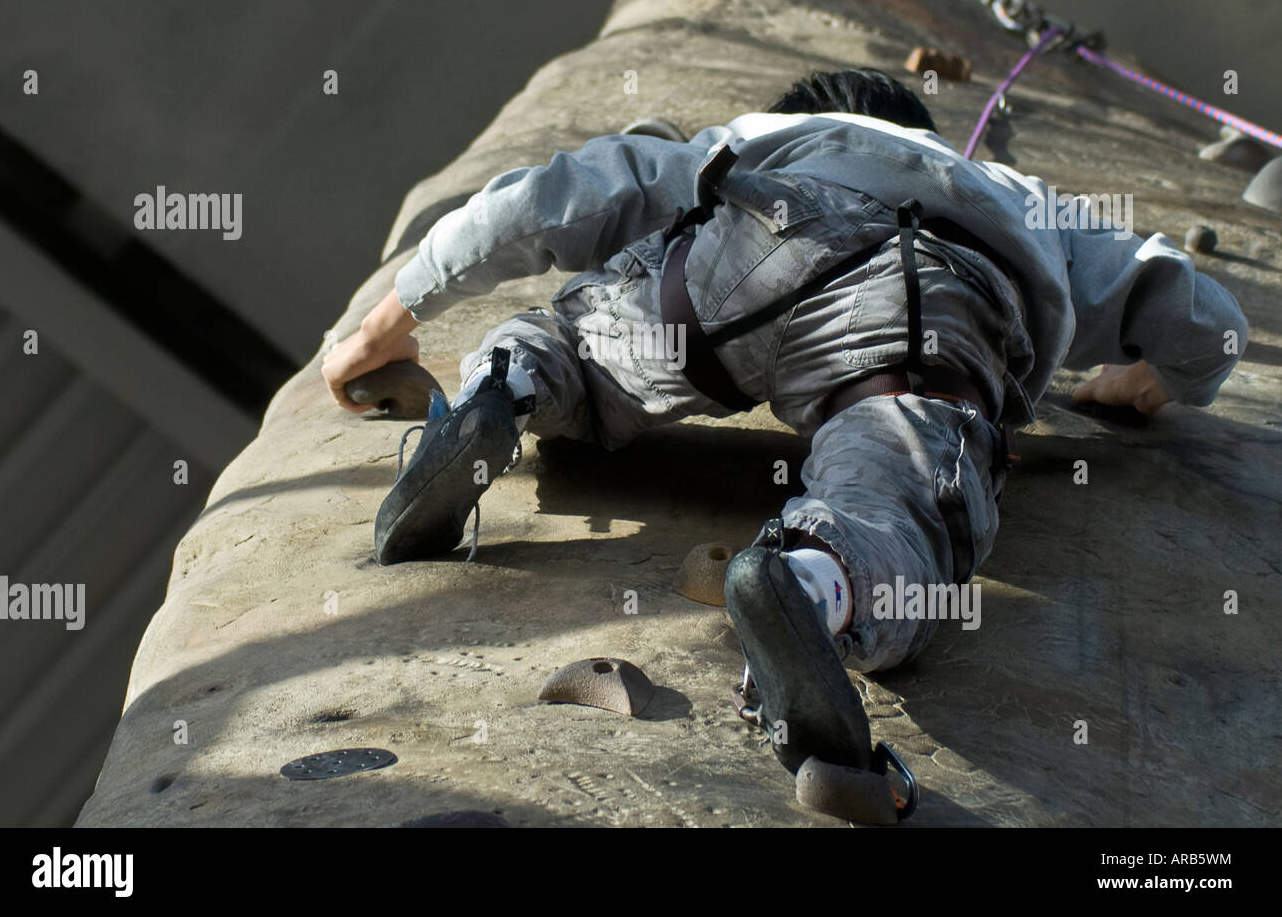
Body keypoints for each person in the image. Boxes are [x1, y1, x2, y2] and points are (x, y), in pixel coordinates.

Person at [321, 68, 1247, 794]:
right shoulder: (1017, 195)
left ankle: (507, 390)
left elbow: (560, 195)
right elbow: (1197, 309)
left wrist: (393, 312)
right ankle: (816, 579)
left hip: (751, 240)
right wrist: (1158, 377)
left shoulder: (763, 136)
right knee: (895, 492)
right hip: (931, 300)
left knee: (582, 338)